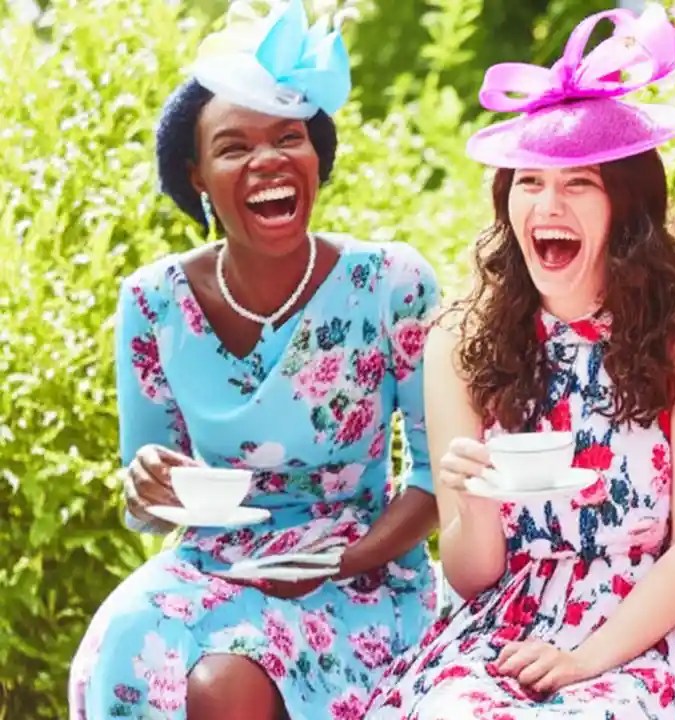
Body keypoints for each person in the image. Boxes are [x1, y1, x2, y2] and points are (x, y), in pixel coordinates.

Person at [364, 6, 675, 719]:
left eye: (579, 183)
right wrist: (476, 497)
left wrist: (586, 660)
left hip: (661, 631)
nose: (547, 203)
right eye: (528, 182)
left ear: (626, 208)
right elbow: (472, 575)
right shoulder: (460, 341)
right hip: (509, 629)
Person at [68, 2, 440, 718]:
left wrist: (342, 559)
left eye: (288, 138)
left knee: (224, 686)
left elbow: (434, 480)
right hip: (212, 565)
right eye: (234, 146)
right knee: (124, 643)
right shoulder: (153, 303)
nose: (267, 160)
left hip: (358, 570)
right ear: (198, 175)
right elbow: (150, 494)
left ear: (316, 158)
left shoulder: (392, 284)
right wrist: (149, 483)